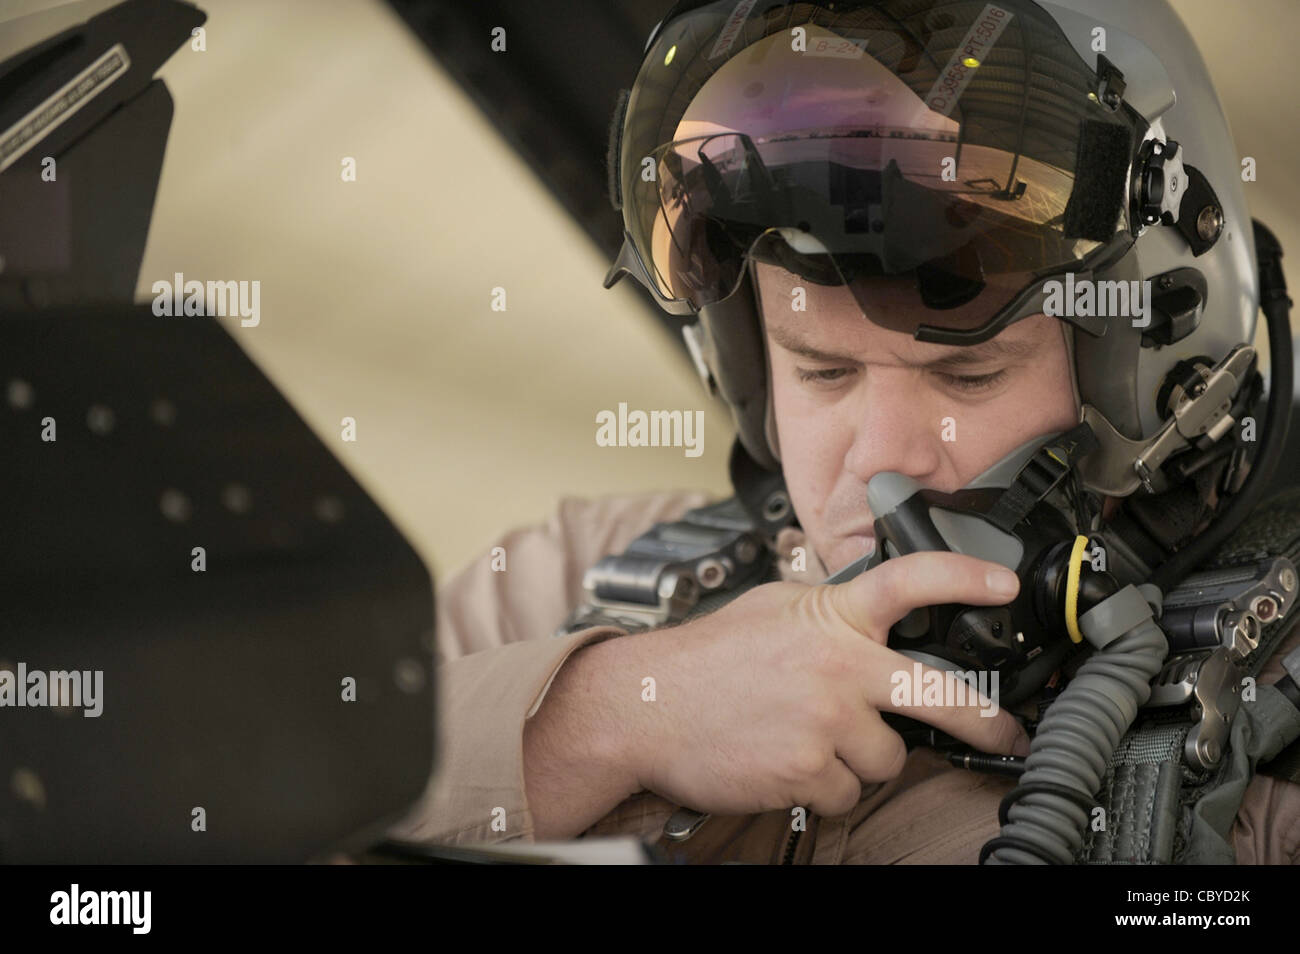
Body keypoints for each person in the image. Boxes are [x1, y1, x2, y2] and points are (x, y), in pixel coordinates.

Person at [386, 0, 1300, 863]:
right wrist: (612, 715)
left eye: (966, 374)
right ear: (745, 373)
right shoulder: (583, 579)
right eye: (822, 372)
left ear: (1158, 375)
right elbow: (266, 771)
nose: (879, 459)